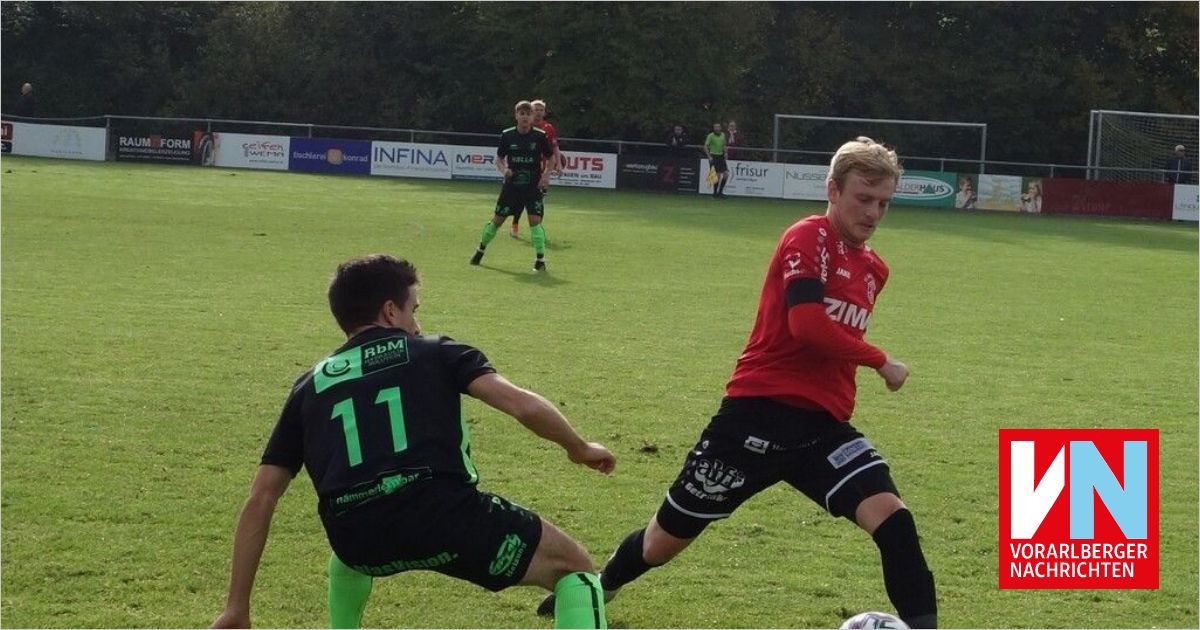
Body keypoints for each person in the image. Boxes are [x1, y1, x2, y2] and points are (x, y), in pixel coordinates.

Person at [536, 137, 938, 629]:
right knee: (662, 543)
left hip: (822, 431)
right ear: (832, 190)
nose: (874, 213)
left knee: (894, 521)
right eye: (863, 198)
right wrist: (881, 361)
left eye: (884, 203)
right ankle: (603, 585)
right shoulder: (807, 237)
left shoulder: (875, 268)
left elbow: (832, 341)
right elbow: (807, 324)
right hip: (755, 418)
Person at [211, 254, 615, 630]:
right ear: (390, 311)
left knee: (347, 560)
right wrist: (578, 447)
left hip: (358, 537)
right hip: (447, 520)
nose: (417, 325)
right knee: (575, 571)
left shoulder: (309, 385)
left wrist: (237, 606)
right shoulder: (434, 351)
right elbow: (521, 405)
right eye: (413, 311)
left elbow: (261, 497)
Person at [470, 101, 555, 271]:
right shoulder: (507, 135)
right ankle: (480, 250)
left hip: (532, 186)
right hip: (512, 186)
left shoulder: (540, 136)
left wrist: (546, 176)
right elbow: (499, 159)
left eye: (528, 114)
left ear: (532, 118)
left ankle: (540, 261)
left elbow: (550, 157)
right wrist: (504, 170)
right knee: (497, 221)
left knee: (535, 222)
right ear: (516, 116)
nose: (524, 117)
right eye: (521, 114)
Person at [510, 99, 563, 239]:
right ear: (530, 112)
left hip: (542, 169)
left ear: (544, 112)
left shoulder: (548, 127)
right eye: (536, 109)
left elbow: (555, 146)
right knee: (520, 200)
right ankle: (515, 224)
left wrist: (558, 163)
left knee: (539, 200)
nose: (538, 112)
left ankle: (537, 230)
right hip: (525, 168)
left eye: (541, 109)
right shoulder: (525, 125)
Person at [704, 122, 729, 198]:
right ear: (713, 128)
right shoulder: (710, 136)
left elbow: (724, 145)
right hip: (714, 156)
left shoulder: (723, 135)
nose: (717, 128)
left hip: (721, 156)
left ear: (720, 128)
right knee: (717, 176)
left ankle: (720, 192)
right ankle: (715, 193)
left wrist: (725, 153)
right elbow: (705, 146)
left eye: (718, 127)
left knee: (726, 174)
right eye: (715, 127)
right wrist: (709, 156)